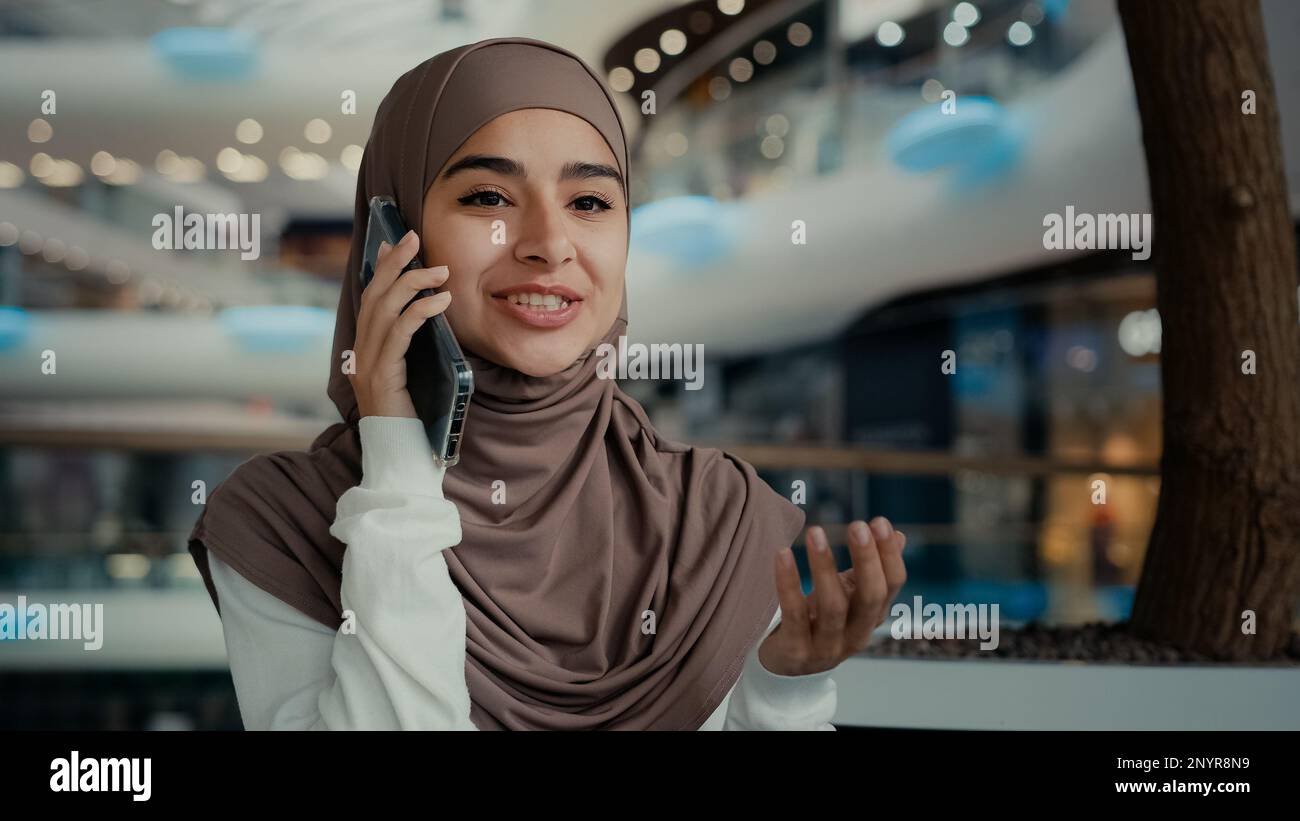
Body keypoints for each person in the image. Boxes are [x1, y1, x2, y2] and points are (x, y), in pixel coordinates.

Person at [187, 36, 907, 730]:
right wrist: (398, 461)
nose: (549, 243)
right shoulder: (281, 524)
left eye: (590, 203)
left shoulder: (719, 516)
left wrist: (780, 692)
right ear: (393, 229)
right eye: (488, 198)